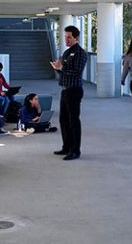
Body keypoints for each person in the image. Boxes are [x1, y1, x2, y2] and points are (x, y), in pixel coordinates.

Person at [50, 25, 87, 161]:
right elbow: (63, 72)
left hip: (74, 90)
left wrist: (62, 67)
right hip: (65, 89)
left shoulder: (80, 53)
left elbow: (77, 72)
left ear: (76, 38)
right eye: (65, 37)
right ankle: (66, 146)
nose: (66, 40)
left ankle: (75, 150)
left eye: (69, 37)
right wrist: (57, 68)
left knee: (73, 120)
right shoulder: (66, 52)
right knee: (63, 120)